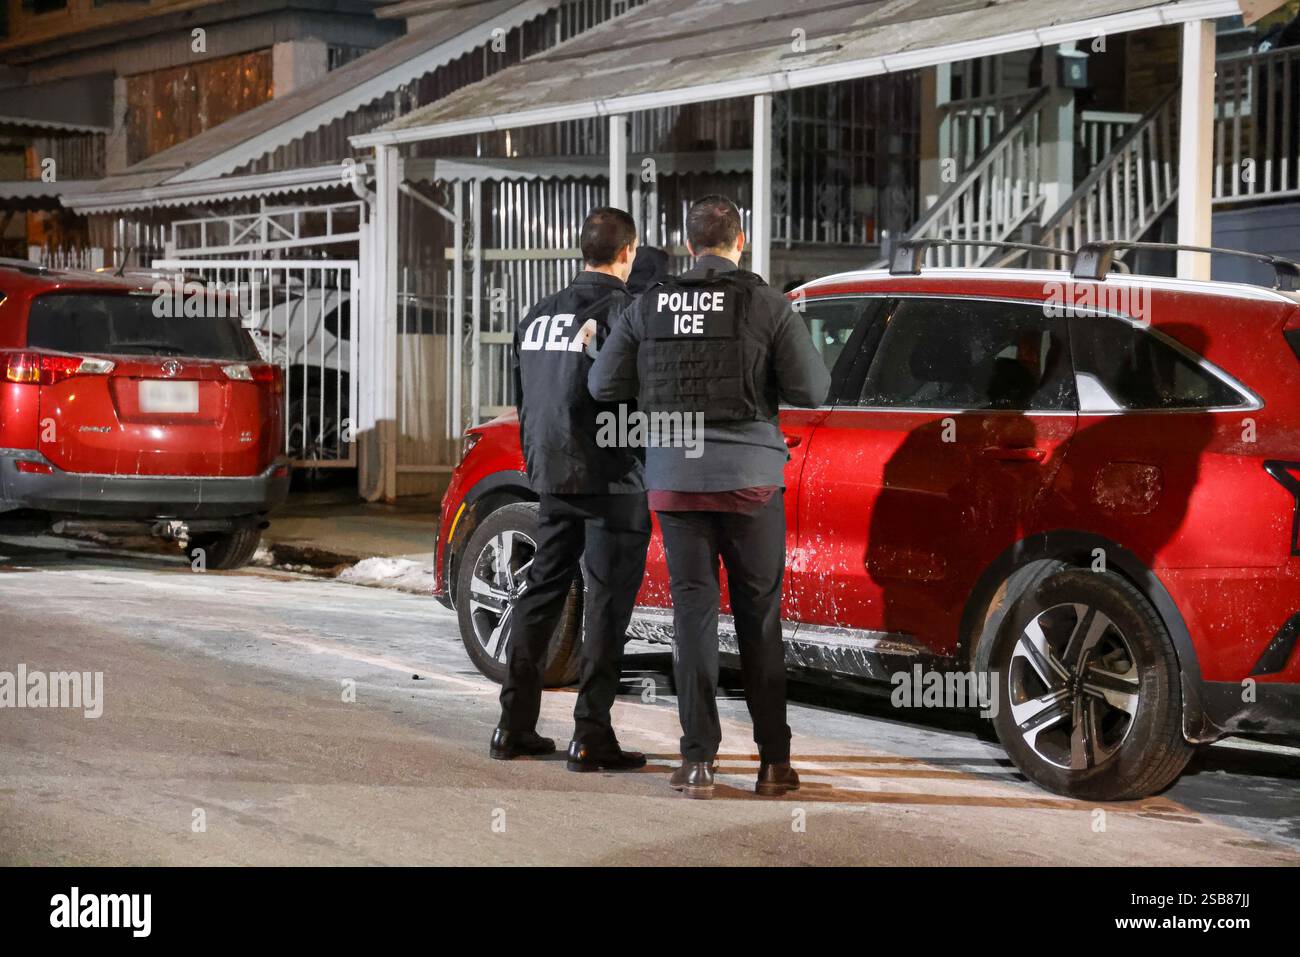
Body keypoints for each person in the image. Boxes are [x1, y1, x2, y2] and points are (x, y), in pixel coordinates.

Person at [588, 195, 830, 798]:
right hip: (751, 482)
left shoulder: (649, 305)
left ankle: (697, 761)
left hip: (675, 482)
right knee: (759, 617)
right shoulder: (768, 303)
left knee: (692, 616)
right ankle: (774, 763)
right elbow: (813, 389)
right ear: (739, 241)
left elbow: (602, 384)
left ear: (689, 245)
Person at [492, 207, 651, 773]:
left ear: (582, 252)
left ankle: (513, 726)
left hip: (551, 473)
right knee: (606, 608)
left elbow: (524, 397)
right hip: (613, 476)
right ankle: (591, 736)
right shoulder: (629, 313)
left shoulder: (537, 314)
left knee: (541, 595)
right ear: (629, 252)